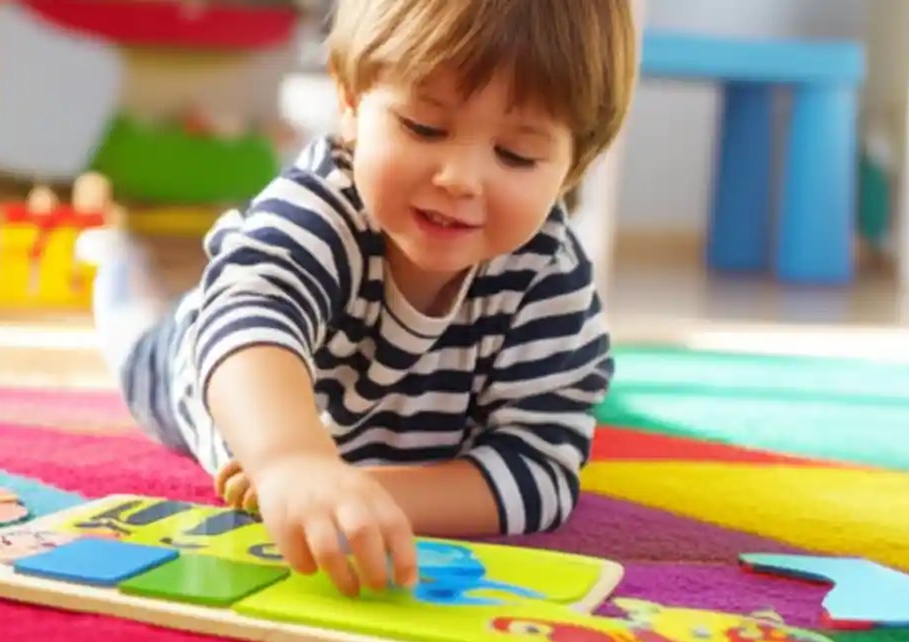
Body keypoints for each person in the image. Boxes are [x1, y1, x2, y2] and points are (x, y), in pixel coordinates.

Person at [82, 0, 637, 598]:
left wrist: (363, 496)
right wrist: (292, 461)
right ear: (349, 103)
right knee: (143, 344)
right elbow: (248, 322)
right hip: (195, 367)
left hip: (372, 448)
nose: (460, 178)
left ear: (573, 164)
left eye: (516, 155)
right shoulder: (322, 208)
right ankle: (121, 284)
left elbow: (540, 469)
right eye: (425, 127)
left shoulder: (550, 277)